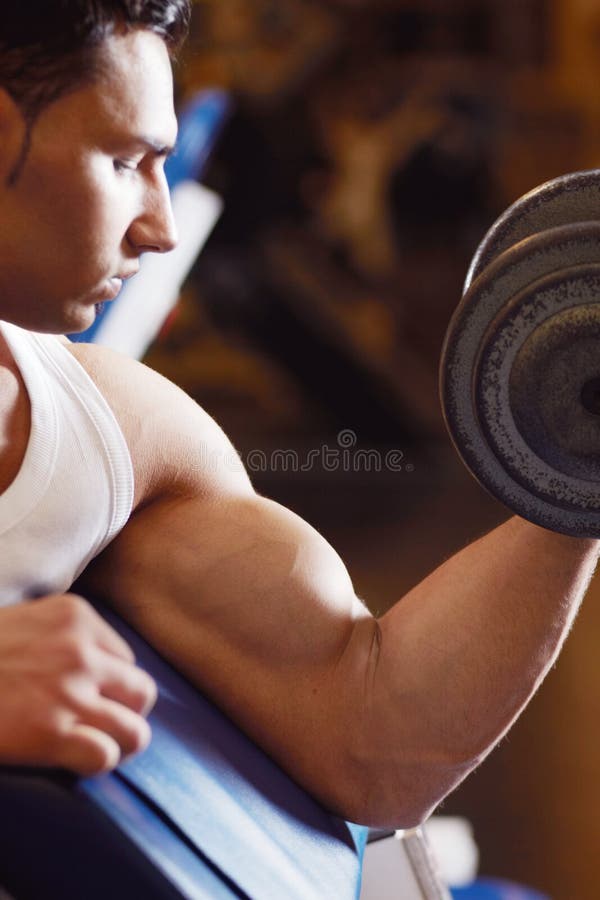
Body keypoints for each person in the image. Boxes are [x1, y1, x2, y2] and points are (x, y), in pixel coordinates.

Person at [0, 0, 597, 830]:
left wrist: (575, 474)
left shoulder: (116, 435)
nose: (163, 226)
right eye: (126, 160)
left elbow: (371, 728)